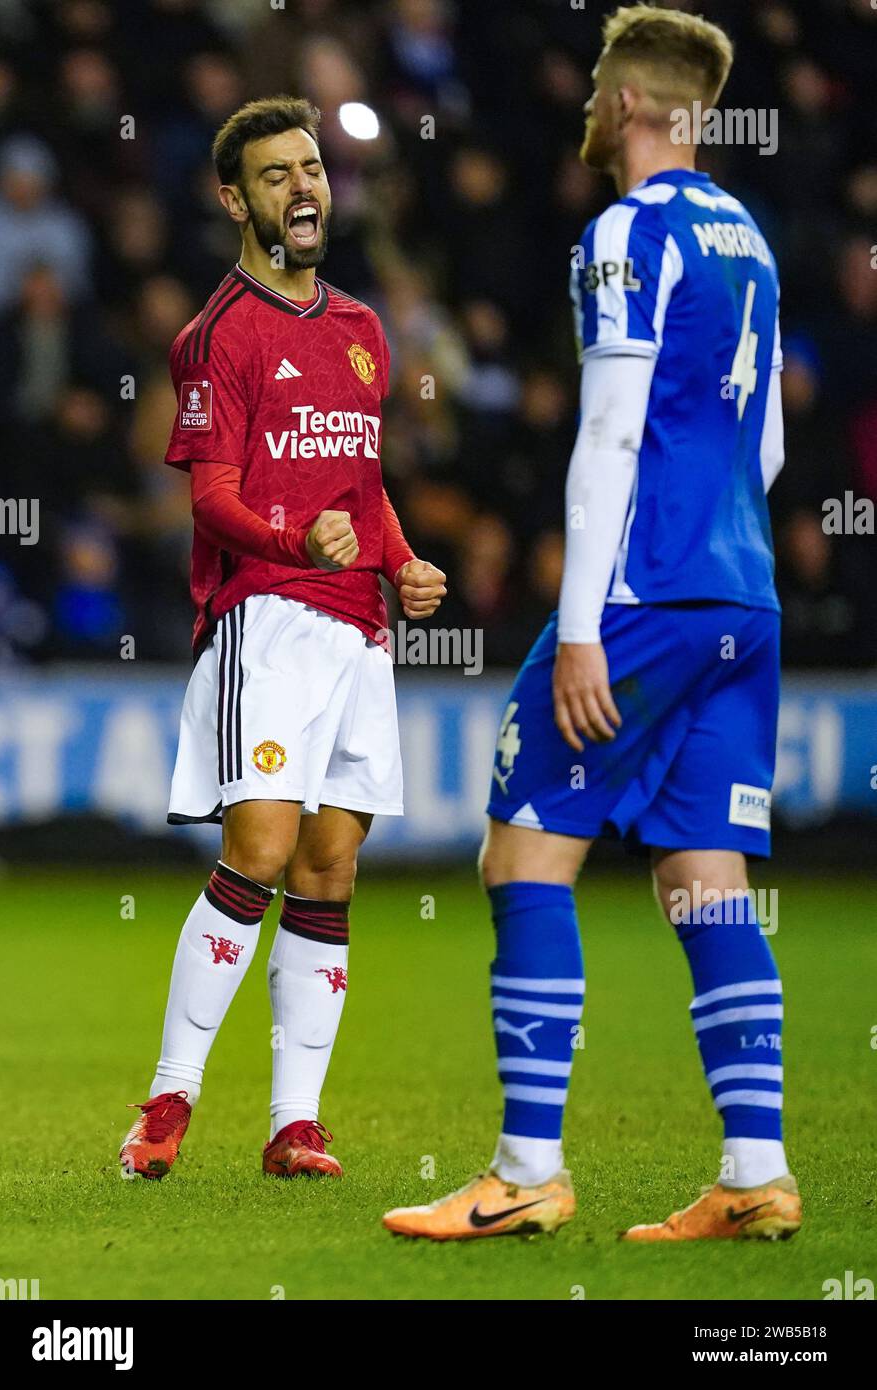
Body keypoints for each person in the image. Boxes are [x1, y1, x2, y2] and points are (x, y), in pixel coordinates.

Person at [384, 3, 800, 1242]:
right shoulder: (754, 242)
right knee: (705, 881)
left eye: (594, 96)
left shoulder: (625, 235)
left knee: (521, 853)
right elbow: (767, 443)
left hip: (642, 597)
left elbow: (610, 433)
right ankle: (754, 1170)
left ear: (623, 105)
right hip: (744, 595)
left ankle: (523, 1169)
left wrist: (579, 628)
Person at [119, 96, 445, 1181]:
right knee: (256, 848)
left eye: (311, 168)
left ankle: (294, 1123)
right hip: (263, 617)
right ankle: (169, 1099)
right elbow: (209, 498)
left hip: (358, 630)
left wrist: (398, 560)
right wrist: (291, 535)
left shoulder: (360, 329)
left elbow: (365, 482)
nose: (303, 187)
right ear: (233, 198)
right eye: (275, 175)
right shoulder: (217, 336)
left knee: (329, 867)